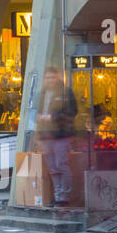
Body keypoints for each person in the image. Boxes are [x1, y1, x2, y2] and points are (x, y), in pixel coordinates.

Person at [35, 67, 78, 208]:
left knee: (61, 164)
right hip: (47, 135)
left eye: (52, 77)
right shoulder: (41, 94)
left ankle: (64, 196)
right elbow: (35, 113)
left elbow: (72, 112)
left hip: (62, 135)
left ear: (57, 77)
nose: (50, 80)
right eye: (48, 78)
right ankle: (58, 196)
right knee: (53, 167)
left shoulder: (66, 92)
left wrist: (52, 117)